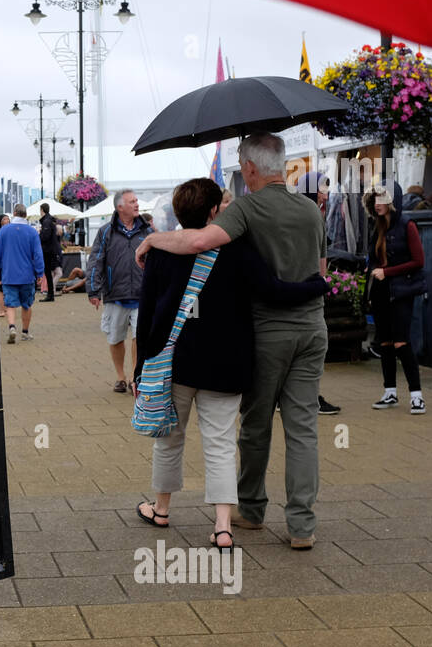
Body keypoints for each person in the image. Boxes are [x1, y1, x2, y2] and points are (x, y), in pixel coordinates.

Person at [134, 132, 327, 550]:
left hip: (260, 336)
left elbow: (198, 242)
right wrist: (319, 288)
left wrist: (151, 239)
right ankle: (300, 526)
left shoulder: (247, 209)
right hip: (309, 330)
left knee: (252, 427)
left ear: (252, 169)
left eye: (243, 165)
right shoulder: (311, 210)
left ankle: (249, 510)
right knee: (303, 429)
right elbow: (315, 268)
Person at [363, 185, 426, 413]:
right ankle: (390, 392)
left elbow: (419, 261)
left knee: (401, 342)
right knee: (385, 343)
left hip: (401, 291)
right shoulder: (377, 226)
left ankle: (417, 396)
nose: (377, 203)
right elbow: (373, 261)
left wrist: (386, 272)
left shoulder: (407, 225)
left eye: (381, 199)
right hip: (381, 291)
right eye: (374, 200)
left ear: (392, 200)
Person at [87, 189, 150, 393]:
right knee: (115, 338)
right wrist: (93, 291)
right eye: (132, 201)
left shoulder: (147, 231)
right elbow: (96, 261)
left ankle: (134, 376)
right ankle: (120, 376)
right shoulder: (106, 231)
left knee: (139, 336)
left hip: (142, 294)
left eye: (136, 201)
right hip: (115, 295)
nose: (137, 204)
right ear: (120, 207)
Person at [296, 173, 342, 417]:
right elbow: (320, 264)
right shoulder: (312, 216)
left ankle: (298, 396)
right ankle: (310, 397)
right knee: (313, 347)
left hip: (300, 289)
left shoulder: (300, 213)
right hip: (309, 290)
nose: (326, 195)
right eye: (323, 190)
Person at [0, 203, 44, 343]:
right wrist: (40, 272)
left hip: (9, 274)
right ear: (25, 215)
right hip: (27, 275)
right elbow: (38, 254)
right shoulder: (32, 231)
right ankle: (25, 332)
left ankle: (11, 327)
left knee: (10, 304)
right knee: (27, 305)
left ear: (14, 213)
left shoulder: (4, 231)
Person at [38, 203, 60, 302]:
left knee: (47, 272)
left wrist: (39, 235)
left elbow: (45, 237)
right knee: (49, 272)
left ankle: (50, 294)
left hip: (47, 250)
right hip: (51, 249)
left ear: (42, 210)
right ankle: (50, 294)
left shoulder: (46, 221)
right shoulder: (50, 220)